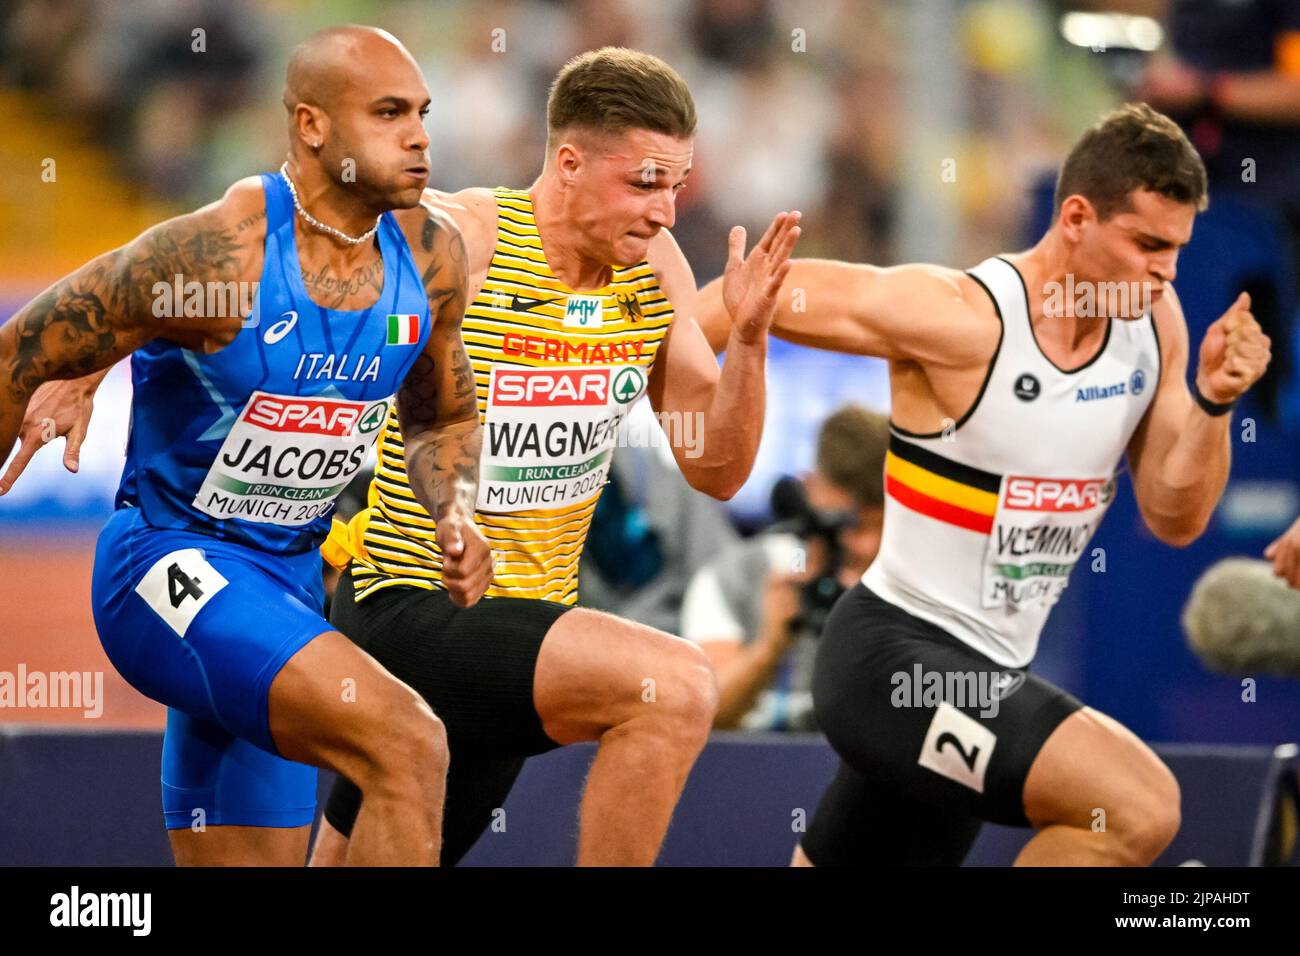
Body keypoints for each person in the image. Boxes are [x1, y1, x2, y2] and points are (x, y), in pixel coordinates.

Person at [696, 102, 1272, 865]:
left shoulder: (1153, 322)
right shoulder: (964, 320)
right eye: (1146, 244)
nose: (1166, 271)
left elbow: (1175, 516)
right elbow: (747, 296)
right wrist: (621, 357)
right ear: (1075, 217)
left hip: (987, 676)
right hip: (891, 661)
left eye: (1176, 249)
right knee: (1136, 806)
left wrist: (1212, 404)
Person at [0, 25, 494, 866]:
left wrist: (456, 510)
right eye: (387, 114)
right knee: (408, 740)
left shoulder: (431, 256)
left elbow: (441, 414)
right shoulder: (219, 254)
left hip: (288, 589)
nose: (419, 136)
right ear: (311, 126)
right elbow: (19, 357)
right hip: (168, 568)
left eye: (422, 112)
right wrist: (84, 369)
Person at [680, 405, 888, 730]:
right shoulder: (735, 577)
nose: (869, 546)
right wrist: (769, 646)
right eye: (852, 525)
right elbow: (704, 715)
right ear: (809, 491)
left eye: (885, 525)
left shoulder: (915, 581)